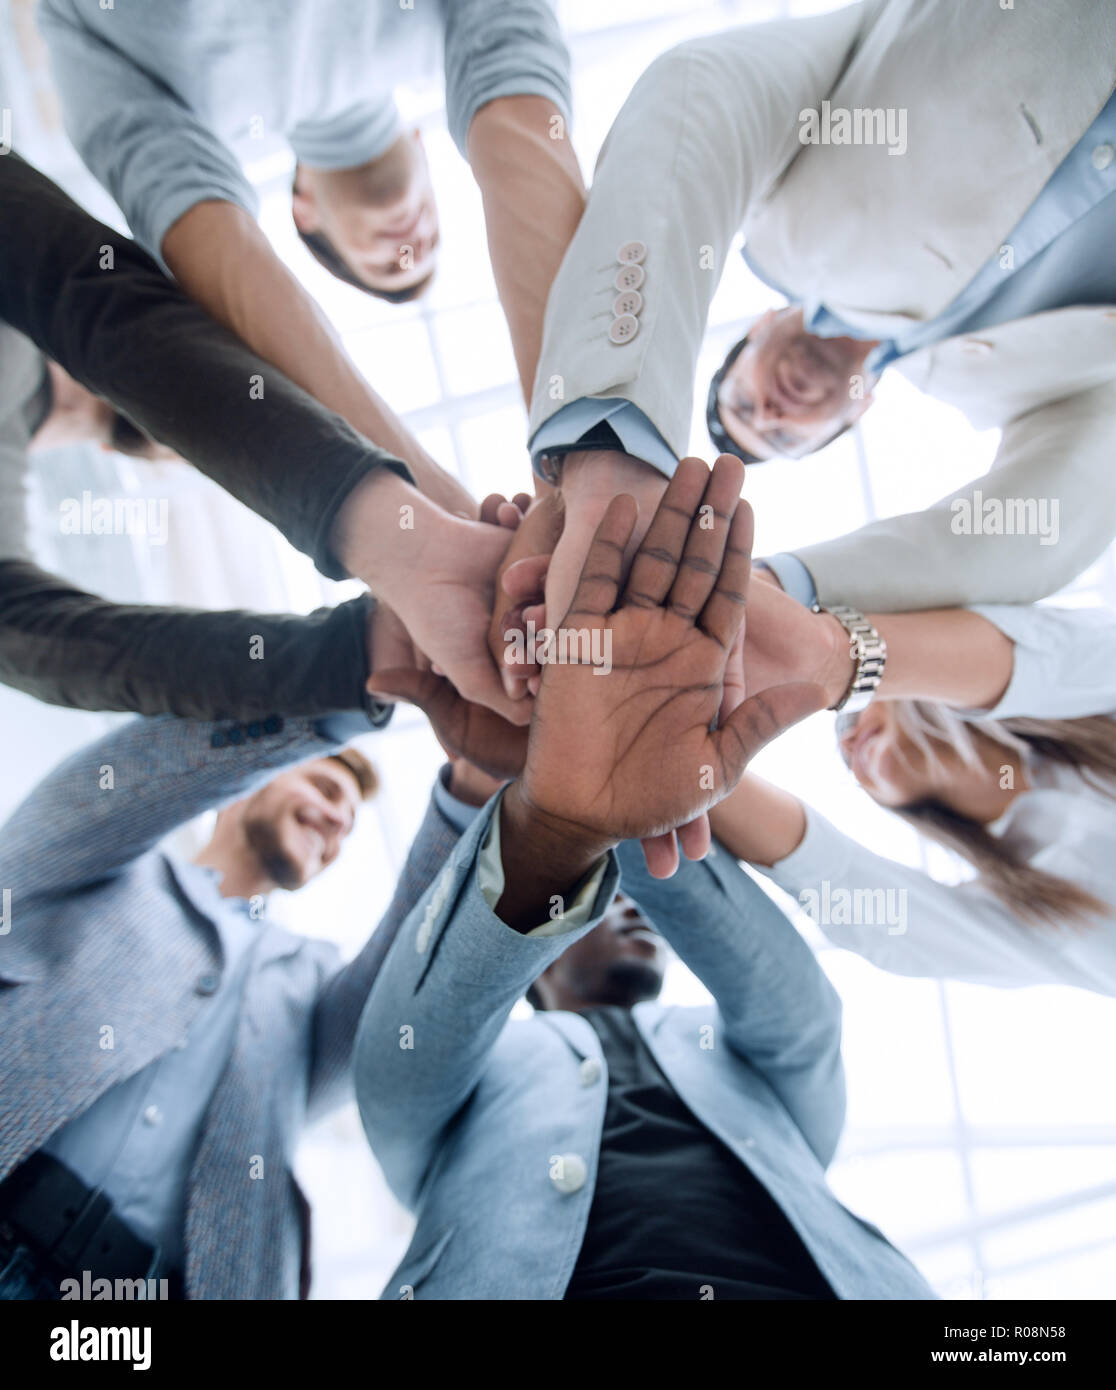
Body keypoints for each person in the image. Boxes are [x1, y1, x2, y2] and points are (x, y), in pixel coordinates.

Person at [353, 457, 932, 1300]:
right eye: (594, 906)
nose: (633, 915)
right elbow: (396, 1074)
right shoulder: (494, 1059)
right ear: (533, 972)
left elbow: (798, 1015)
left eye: (629, 897)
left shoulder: (736, 1057)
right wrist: (558, 824)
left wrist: (584, 798)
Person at [513, 0, 1116, 639]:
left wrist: (613, 459)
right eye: (781, 437)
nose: (770, 413)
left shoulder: (786, 213)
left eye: (744, 401)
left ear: (760, 325)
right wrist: (769, 593)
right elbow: (1044, 530)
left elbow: (698, 99)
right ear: (853, 415)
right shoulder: (1009, 394)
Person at [0, 152, 527, 722]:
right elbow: (92, 298)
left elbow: (27, 639)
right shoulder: (67, 308)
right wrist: (398, 554)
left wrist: (367, 648)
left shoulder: (16, 463)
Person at [37, 0, 586, 512]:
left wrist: (429, 513)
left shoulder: (184, 113)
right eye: (429, 246)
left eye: (385, 265)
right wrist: (574, 463)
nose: (409, 249)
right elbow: (514, 77)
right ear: (423, 146)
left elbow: (201, 231)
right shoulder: (437, 41)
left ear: (304, 212)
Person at [703, 595, 1116, 995]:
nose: (849, 745)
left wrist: (835, 657)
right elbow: (855, 891)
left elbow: (1056, 654)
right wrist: (703, 767)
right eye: (846, 756)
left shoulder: (1096, 697)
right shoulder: (1035, 905)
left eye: (853, 713)